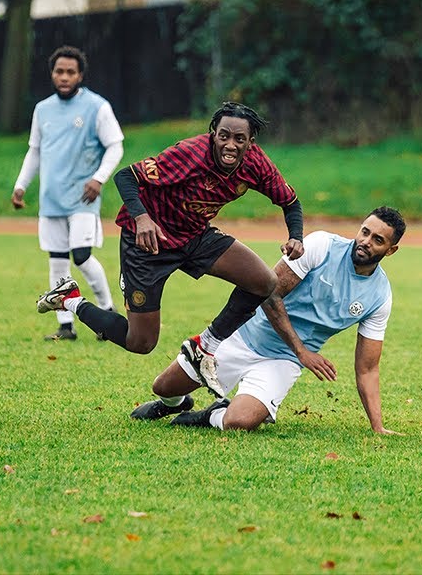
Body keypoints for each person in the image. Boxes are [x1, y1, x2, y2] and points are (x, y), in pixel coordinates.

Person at [35, 101, 305, 400]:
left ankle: (204, 347)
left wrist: (296, 237)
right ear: (213, 134)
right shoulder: (189, 154)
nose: (230, 144)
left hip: (194, 236)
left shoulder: (256, 164)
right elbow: (126, 176)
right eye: (224, 136)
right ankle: (70, 300)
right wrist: (142, 218)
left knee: (264, 281)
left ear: (250, 143)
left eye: (239, 139)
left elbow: (290, 202)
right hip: (148, 243)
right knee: (141, 342)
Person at [130, 207, 405, 434]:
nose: (366, 241)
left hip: (283, 361)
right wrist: (303, 352)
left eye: (378, 240)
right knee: (164, 386)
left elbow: (368, 368)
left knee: (239, 422)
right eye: (365, 232)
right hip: (244, 335)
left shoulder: (379, 296)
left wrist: (378, 427)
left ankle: (210, 416)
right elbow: (268, 293)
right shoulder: (322, 246)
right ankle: (173, 404)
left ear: (390, 250)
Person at [12, 46, 125, 341]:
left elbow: (116, 146)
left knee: (82, 256)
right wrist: (21, 186)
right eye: (59, 71)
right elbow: (35, 151)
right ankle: (65, 324)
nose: (64, 77)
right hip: (51, 200)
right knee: (57, 261)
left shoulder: (96, 107)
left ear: (80, 75)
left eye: (70, 72)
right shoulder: (43, 109)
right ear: (52, 73)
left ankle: (106, 312)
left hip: (82, 199)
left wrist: (98, 179)